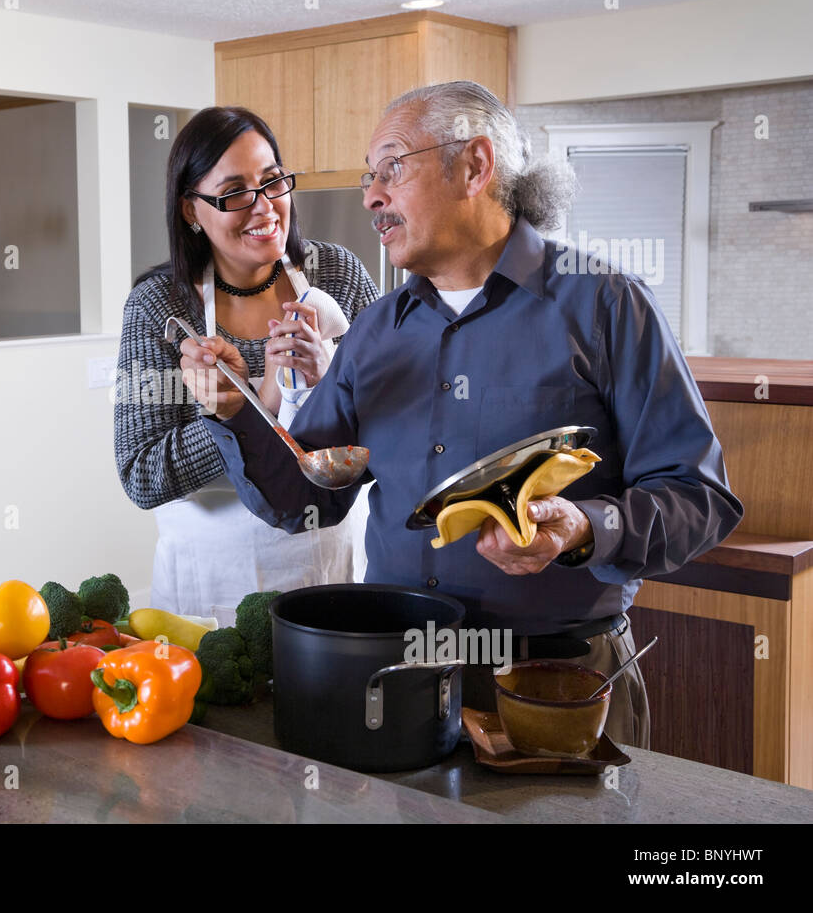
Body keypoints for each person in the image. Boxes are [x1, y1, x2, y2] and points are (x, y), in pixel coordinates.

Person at [180, 81, 743, 747]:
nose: (370, 197)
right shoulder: (377, 331)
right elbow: (308, 495)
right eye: (368, 178)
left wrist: (579, 528)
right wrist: (233, 413)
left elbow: (699, 496)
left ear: (475, 166)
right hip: (400, 671)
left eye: (391, 168)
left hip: (554, 682)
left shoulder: (608, 306)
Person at [114, 106, 381, 618]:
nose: (264, 207)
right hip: (212, 588)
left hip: (333, 566)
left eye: (273, 181)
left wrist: (330, 385)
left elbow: (393, 421)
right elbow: (141, 475)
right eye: (235, 192)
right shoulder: (160, 307)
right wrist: (253, 405)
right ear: (191, 209)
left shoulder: (338, 274)